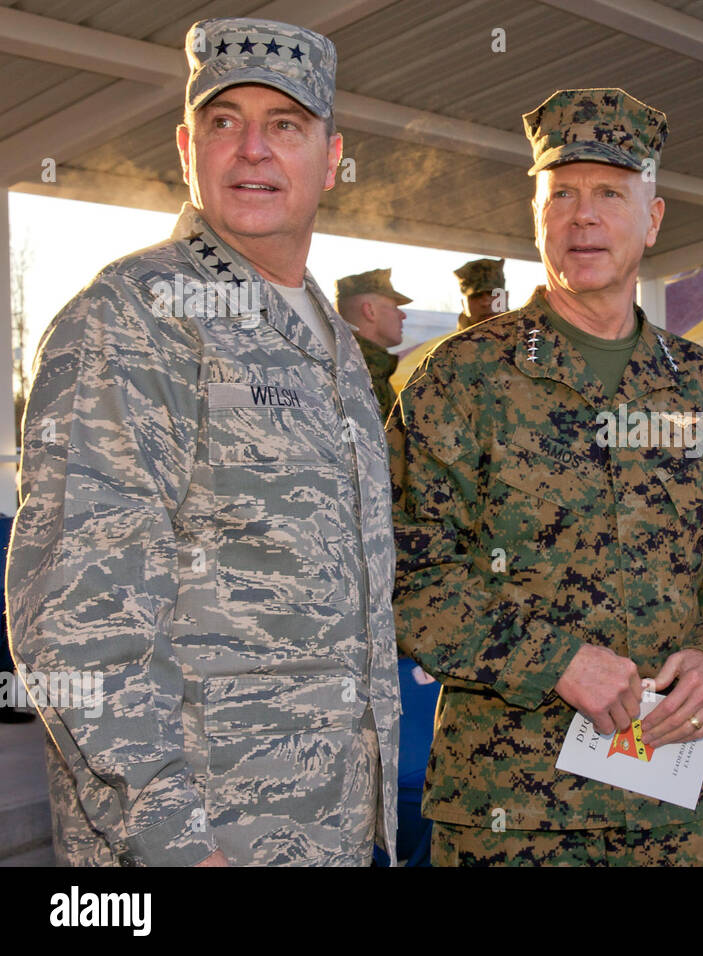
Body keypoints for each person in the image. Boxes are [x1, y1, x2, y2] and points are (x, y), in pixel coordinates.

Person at [5, 17, 399, 867]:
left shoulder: (334, 345)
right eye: (225, 123)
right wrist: (175, 843)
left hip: (328, 832)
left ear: (332, 158)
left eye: (285, 125)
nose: (253, 149)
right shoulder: (135, 317)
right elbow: (79, 619)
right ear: (187, 148)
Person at [388, 88, 703, 866]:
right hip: (508, 816)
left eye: (610, 192)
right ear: (537, 214)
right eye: (561, 194)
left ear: (654, 216)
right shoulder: (460, 381)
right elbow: (405, 577)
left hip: (667, 817)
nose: (583, 216)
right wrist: (554, 659)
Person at [336, 268, 412, 423]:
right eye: (394, 307)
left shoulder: (370, 368)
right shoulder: (355, 372)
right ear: (370, 311)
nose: (403, 315)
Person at [453, 258, 508, 331]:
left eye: (493, 293)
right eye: (476, 296)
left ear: (506, 298)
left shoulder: (525, 340)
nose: (485, 303)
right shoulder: (448, 342)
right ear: (463, 304)